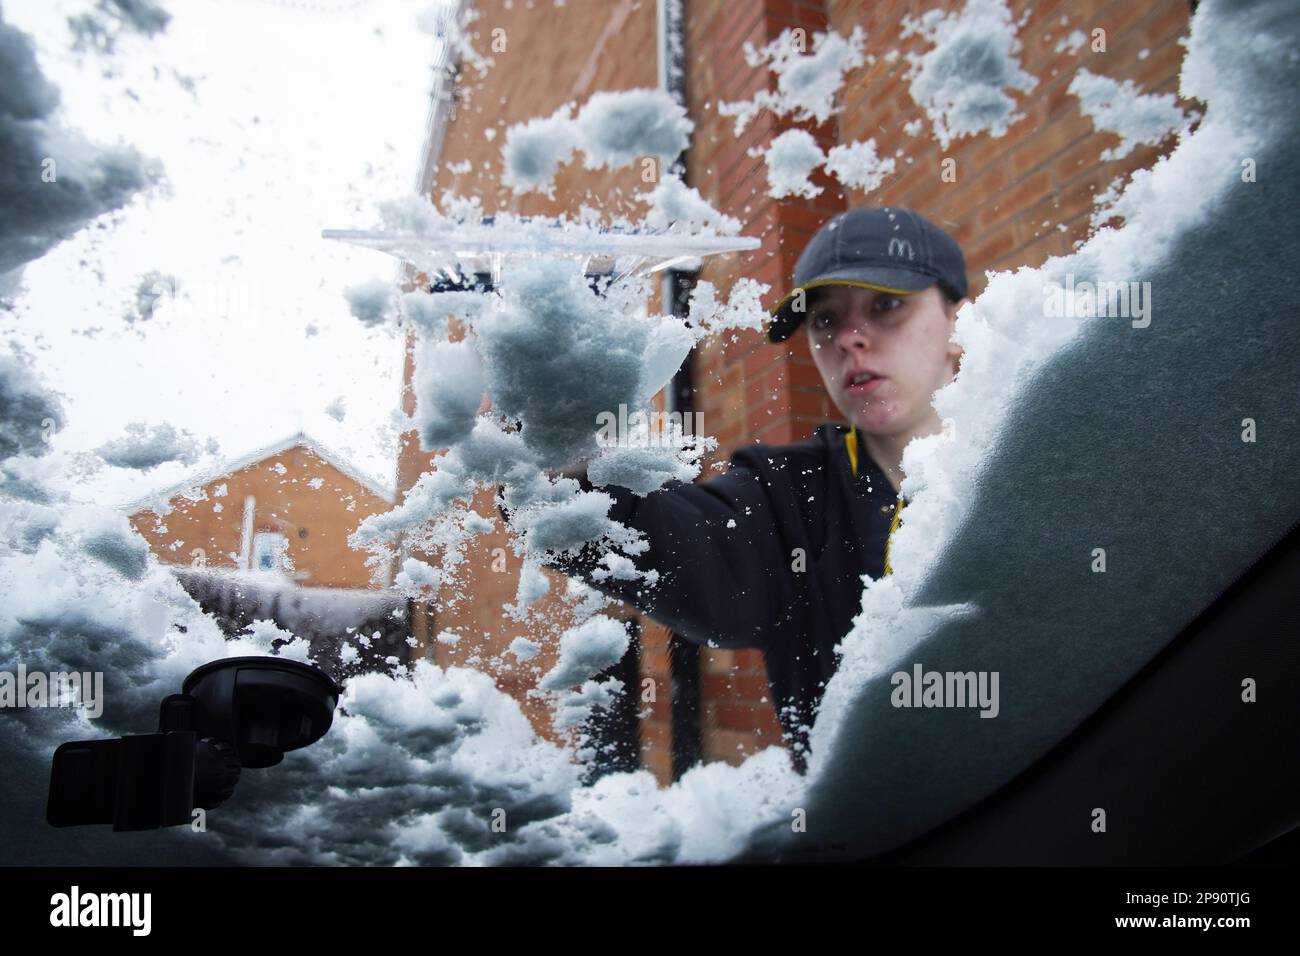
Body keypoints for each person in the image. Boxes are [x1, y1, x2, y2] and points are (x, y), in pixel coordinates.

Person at [528, 206, 969, 771]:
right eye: (825, 320)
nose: (851, 340)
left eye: (886, 304)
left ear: (957, 318)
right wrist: (553, 445)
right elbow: (671, 543)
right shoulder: (788, 496)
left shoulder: (1048, 467)